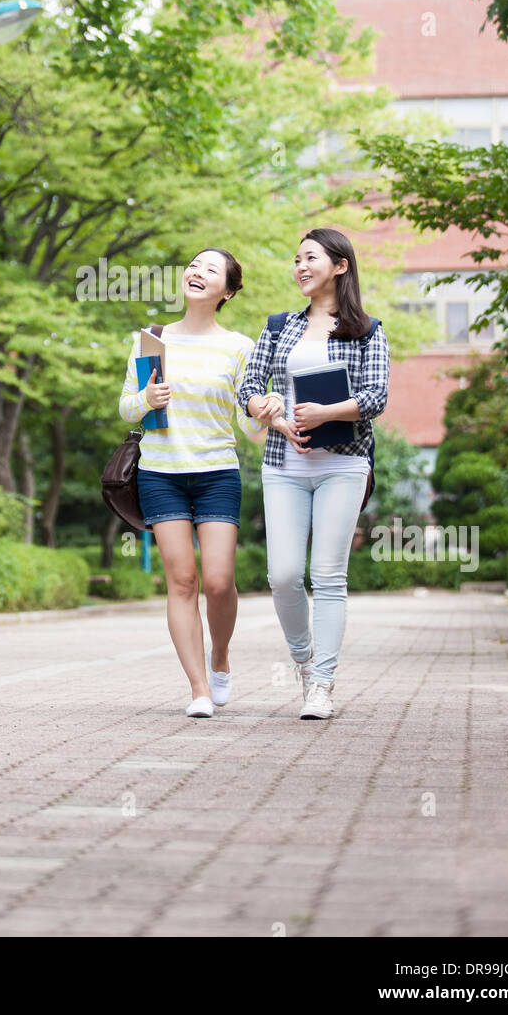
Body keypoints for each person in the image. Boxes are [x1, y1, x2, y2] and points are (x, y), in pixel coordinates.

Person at [118, 249, 281, 718]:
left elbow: (247, 428)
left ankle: (221, 656)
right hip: (160, 473)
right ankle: (198, 689)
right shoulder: (151, 339)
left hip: (216, 473)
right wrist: (145, 399)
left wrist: (264, 415)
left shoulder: (239, 347)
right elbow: (127, 409)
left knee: (218, 580)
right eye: (193, 265)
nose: (197, 272)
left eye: (211, 269)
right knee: (182, 580)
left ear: (226, 291)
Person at [238, 228, 390, 720]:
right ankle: (303, 662)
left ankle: (322, 684)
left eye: (311, 258)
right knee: (282, 576)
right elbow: (248, 388)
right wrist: (272, 414)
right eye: (296, 259)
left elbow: (375, 397)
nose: (300, 266)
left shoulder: (367, 330)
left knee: (328, 576)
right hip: (284, 464)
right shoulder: (279, 325)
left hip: (344, 464)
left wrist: (325, 413)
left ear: (340, 265)